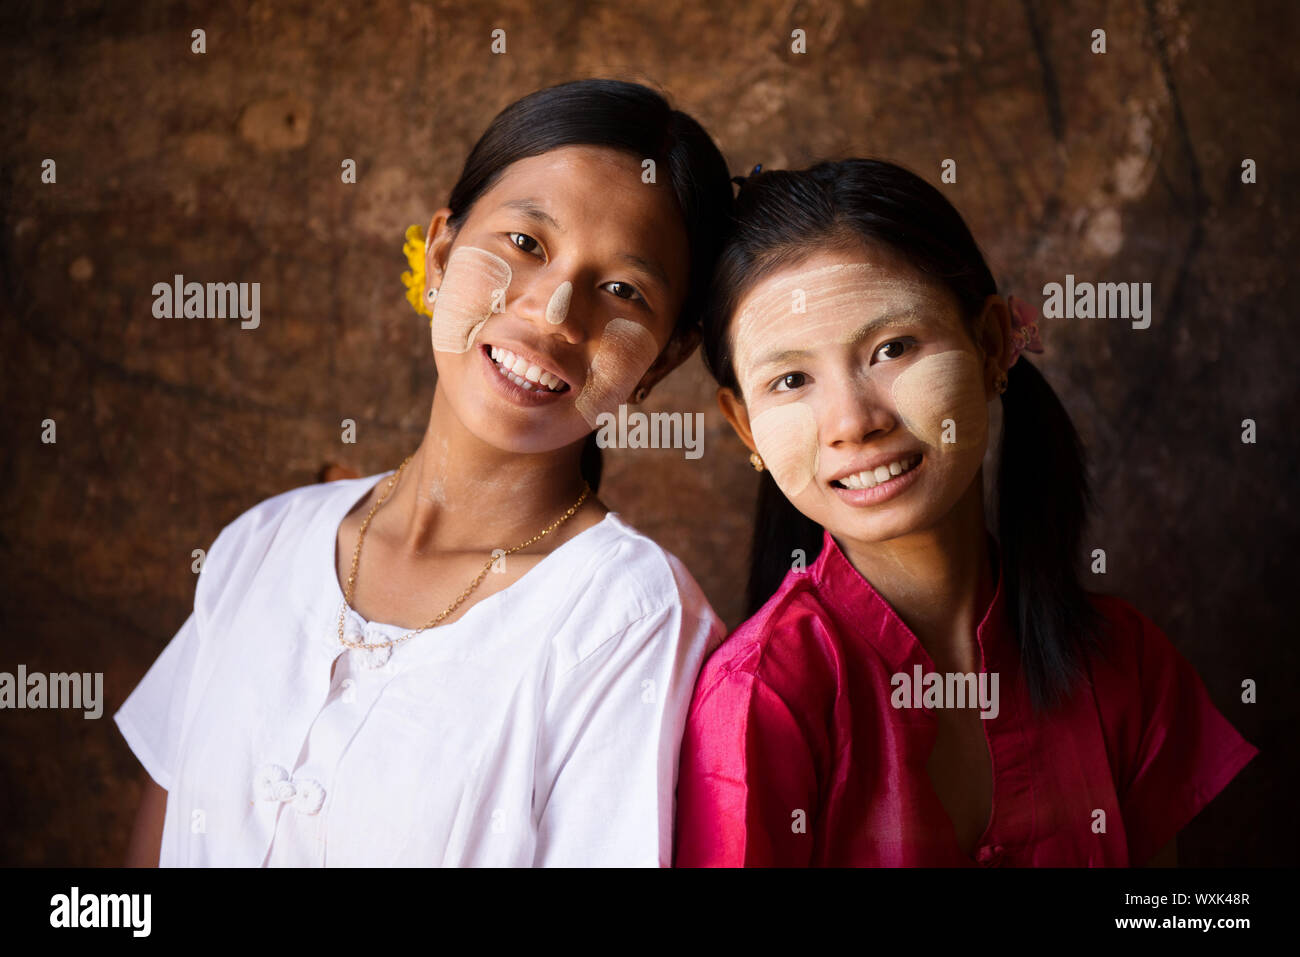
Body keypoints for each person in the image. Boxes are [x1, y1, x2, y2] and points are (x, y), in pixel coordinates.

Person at [115, 78, 732, 867]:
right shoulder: (263, 543)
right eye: (526, 244)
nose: (553, 314)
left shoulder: (627, 618)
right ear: (441, 253)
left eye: (622, 291)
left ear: (664, 358)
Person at [674, 158, 1257, 867]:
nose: (852, 421)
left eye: (892, 347)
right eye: (790, 380)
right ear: (744, 427)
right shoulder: (761, 702)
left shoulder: (1124, 662)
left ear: (988, 345)